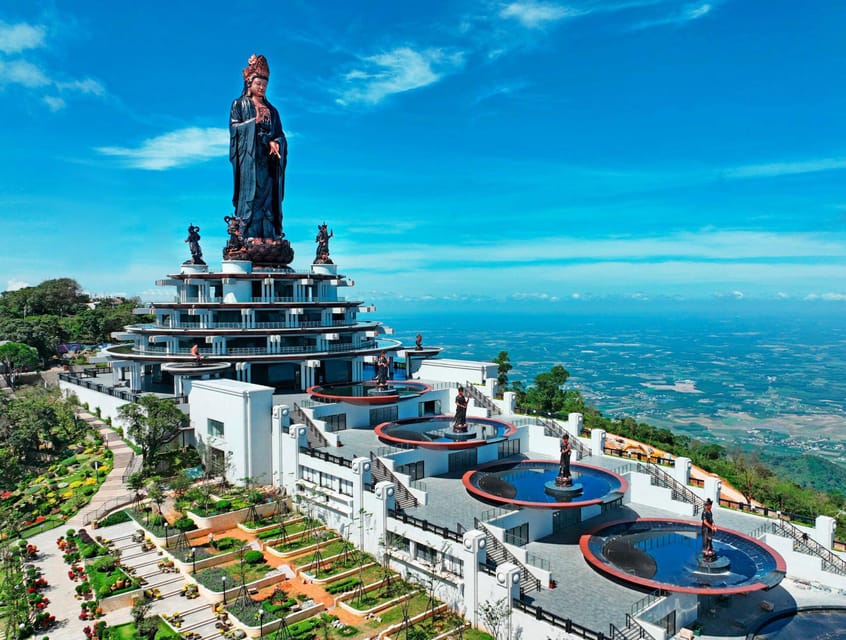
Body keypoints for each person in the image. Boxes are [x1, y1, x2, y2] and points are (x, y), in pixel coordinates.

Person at [230, 54, 287, 241]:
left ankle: (269, 234)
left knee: (268, 197)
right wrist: (253, 123)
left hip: (268, 161)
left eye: (264, 85)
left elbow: (279, 133)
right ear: (249, 84)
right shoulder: (240, 104)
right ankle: (249, 234)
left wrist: (276, 143)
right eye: (258, 84)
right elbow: (234, 128)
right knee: (251, 195)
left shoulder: (272, 110)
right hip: (249, 159)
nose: (262, 87)